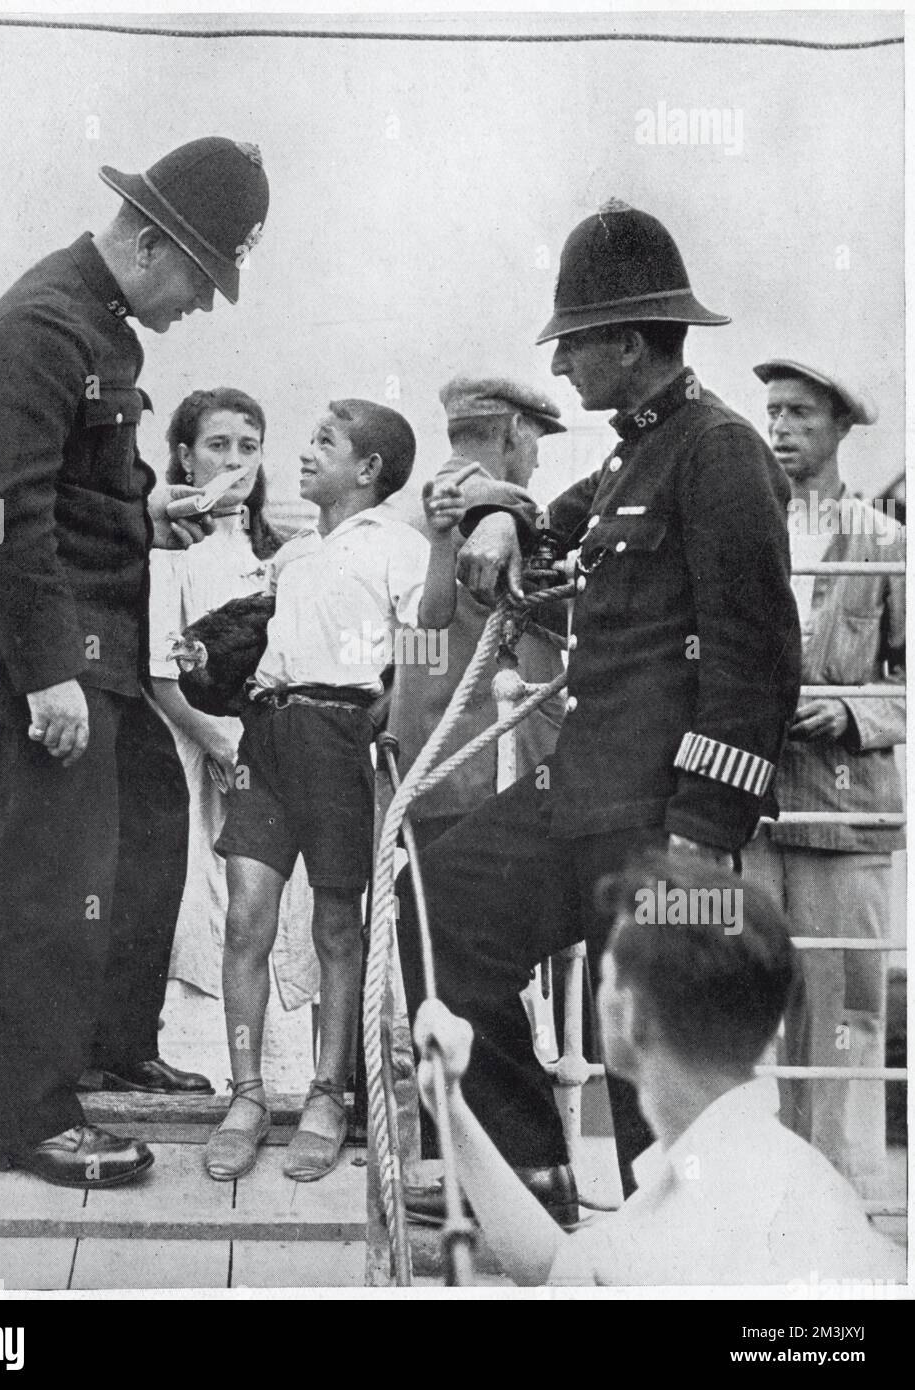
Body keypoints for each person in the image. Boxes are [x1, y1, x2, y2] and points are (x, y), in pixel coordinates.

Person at [399, 200, 801, 1223]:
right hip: (582, 799)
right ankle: (535, 1187)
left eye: (573, 346)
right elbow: (543, 524)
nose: (563, 370)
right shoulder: (630, 457)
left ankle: (663, 1270)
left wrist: (704, 834)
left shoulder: (718, 452)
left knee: (649, 1073)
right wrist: (492, 511)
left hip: (664, 824)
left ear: (627, 344)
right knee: (439, 905)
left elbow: (756, 660)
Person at [0, 137, 270, 1187]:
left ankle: (109, 1043)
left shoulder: (102, 326)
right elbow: (0, 511)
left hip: (87, 627)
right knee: (61, 860)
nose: (201, 302)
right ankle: (20, 1114)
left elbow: (81, 485)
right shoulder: (40, 327)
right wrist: (47, 672)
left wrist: (158, 510)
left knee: (151, 811)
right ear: (151, 242)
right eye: (200, 276)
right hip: (23, 637)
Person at [413, 855, 904, 1286]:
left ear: (632, 1016)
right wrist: (450, 1106)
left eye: (604, 978)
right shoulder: (783, 1174)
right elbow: (562, 1269)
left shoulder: (672, 1232)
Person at [208, 399, 466, 1183]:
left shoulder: (398, 544)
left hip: (338, 737)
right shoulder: (295, 551)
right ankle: (248, 1095)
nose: (305, 451)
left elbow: (429, 632)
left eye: (325, 441)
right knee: (246, 919)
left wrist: (448, 541)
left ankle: (329, 1093)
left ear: (369, 470)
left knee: (335, 926)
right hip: (269, 735)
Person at [745, 359, 905, 1193]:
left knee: (845, 1009)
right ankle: (769, 1199)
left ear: (842, 426)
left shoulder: (888, 545)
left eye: (801, 413)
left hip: (846, 821)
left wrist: (851, 713)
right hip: (754, 813)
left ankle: (841, 1201)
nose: (780, 428)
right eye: (772, 411)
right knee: (751, 1002)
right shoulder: (746, 533)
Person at [387, 376, 567, 850]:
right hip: (487, 767)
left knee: (431, 915)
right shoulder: (502, 503)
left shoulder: (405, 512)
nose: (537, 458)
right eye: (537, 440)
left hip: (419, 765)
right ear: (514, 430)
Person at [148, 387, 284, 996]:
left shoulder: (279, 556)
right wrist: (220, 743)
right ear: (185, 457)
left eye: (247, 447)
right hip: (193, 747)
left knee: (274, 907)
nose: (234, 462)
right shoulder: (168, 556)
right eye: (218, 445)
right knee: (199, 898)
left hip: (270, 751)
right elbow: (156, 673)